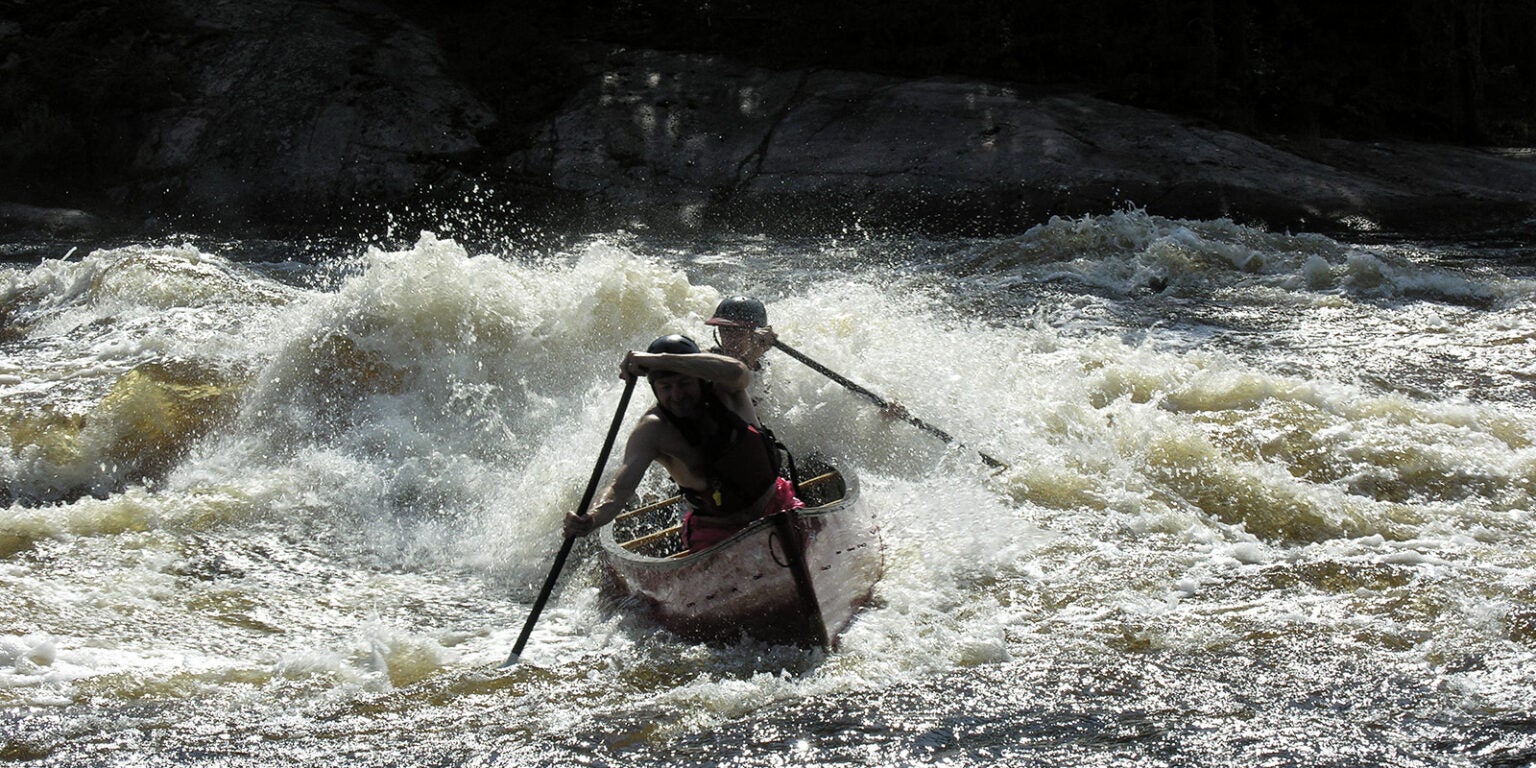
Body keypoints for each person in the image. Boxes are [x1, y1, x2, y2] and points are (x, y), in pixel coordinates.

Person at [564, 334, 803, 551]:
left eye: (684, 384)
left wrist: (659, 360)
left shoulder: (727, 390)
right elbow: (620, 488)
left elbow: (738, 370)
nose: (677, 395)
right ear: (655, 390)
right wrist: (592, 518)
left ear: (699, 379)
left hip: (777, 506)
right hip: (718, 533)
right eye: (666, 387)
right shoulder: (653, 429)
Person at [705, 295, 777, 371]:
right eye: (726, 332)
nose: (731, 340)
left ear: (757, 337)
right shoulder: (708, 360)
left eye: (739, 334)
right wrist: (750, 357)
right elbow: (733, 375)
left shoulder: (768, 371)